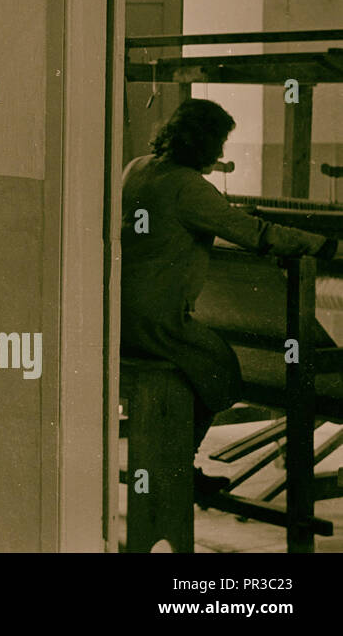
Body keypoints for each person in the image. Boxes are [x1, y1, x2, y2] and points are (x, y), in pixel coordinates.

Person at [120, 99, 338, 498]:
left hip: (118, 311)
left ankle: (167, 461)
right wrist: (327, 247)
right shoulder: (189, 187)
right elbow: (256, 234)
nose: (220, 154)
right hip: (155, 319)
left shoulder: (136, 167)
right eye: (218, 142)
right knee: (219, 367)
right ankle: (175, 468)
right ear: (199, 141)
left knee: (206, 363)